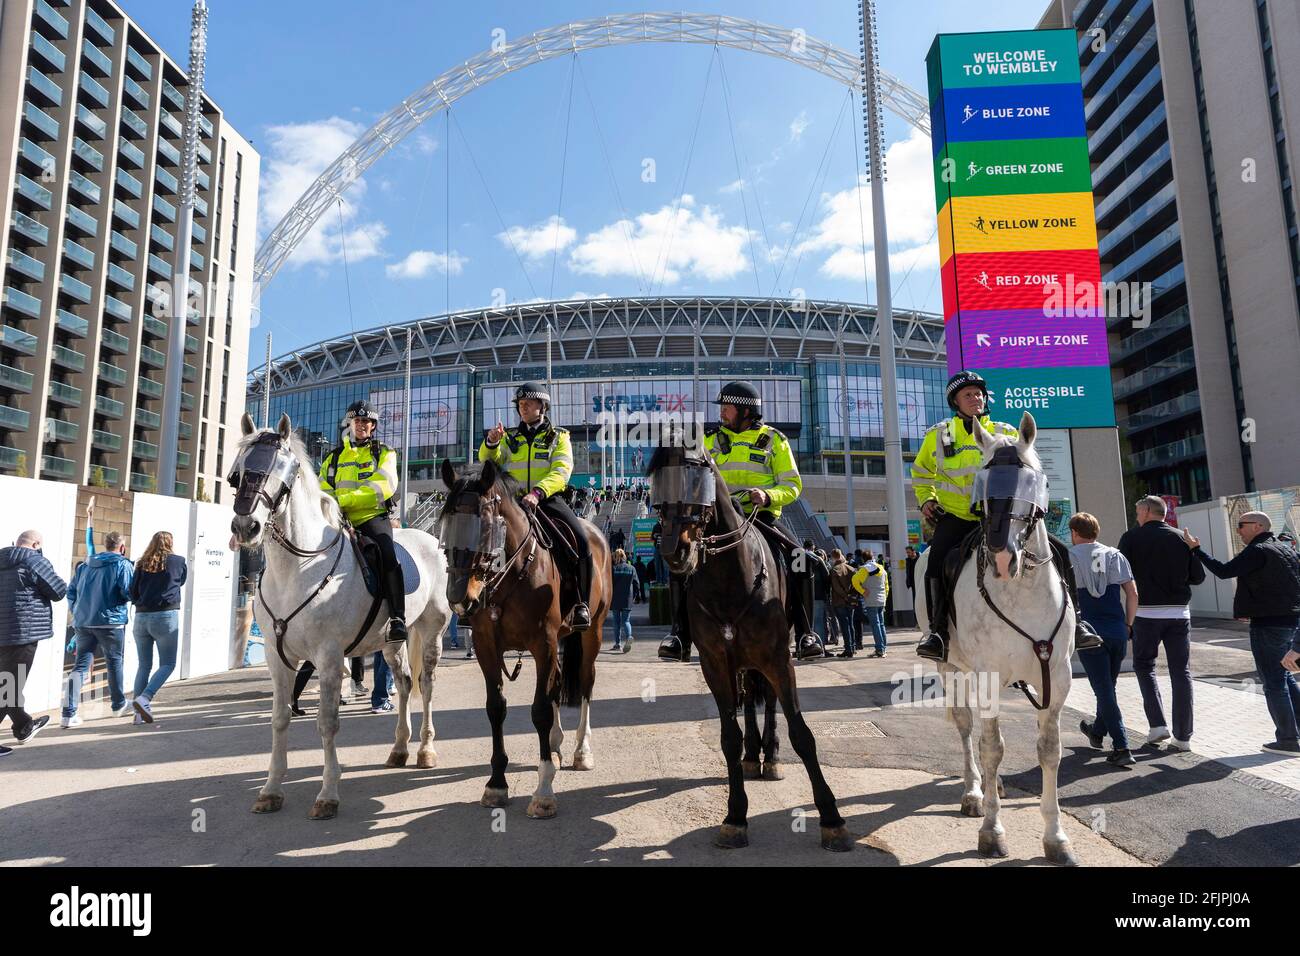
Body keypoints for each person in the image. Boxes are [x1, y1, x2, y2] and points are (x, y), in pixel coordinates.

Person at [910, 370, 1103, 662]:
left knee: (1061, 552)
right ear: (955, 402)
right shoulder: (940, 434)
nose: (975, 398)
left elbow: (1030, 473)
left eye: (979, 393)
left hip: (1004, 517)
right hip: (959, 516)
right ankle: (937, 633)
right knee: (935, 560)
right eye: (968, 395)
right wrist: (927, 500)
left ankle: (1078, 624)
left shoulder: (1006, 431)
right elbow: (922, 473)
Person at [1184, 512, 1300, 755]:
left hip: (1269, 624)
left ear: (1258, 526)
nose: (1238, 531)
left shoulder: (1258, 550)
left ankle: (1288, 740)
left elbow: (1224, 571)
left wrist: (1197, 550)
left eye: (1241, 525)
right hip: (1290, 622)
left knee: (1274, 683)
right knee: (1286, 678)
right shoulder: (1286, 549)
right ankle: (1293, 734)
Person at [480, 381, 591, 629]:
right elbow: (488, 463)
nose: (523, 407)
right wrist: (491, 442)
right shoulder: (509, 438)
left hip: (547, 500)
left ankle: (581, 604)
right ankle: (475, 601)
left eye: (528, 403)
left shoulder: (559, 437)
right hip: (513, 503)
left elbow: (562, 470)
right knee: (481, 542)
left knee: (582, 543)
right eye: (520, 404)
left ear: (543, 407)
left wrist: (538, 492)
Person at [1117, 495, 1205, 750]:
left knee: (1144, 666)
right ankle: (1183, 737)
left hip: (1145, 613)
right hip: (1179, 614)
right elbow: (1198, 577)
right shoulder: (1181, 538)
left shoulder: (1131, 537)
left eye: (1136, 510)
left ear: (1145, 511)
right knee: (1182, 672)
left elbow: (1122, 576)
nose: (1136, 515)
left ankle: (1157, 725)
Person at [318, 400, 407, 645]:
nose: (361, 425)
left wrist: (343, 500)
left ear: (373, 426)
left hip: (371, 519)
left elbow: (383, 485)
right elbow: (322, 488)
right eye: (357, 421)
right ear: (350, 424)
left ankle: (397, 617)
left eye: (366, 421)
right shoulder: (333, 457)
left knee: (388, 555)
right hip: (337, 520)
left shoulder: (384, 452)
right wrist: (334, 505)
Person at [1068, 513, 1139, 767]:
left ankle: (1122, 745)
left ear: (1075, 533)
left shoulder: (1070, 557)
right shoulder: (1115, 555)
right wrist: (1129, 624)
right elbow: (1132, 593)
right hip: (1118, 629)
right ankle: (1097, 731)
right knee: (1108, 686)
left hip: (1089, 632)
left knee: (1104, 690)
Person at [0, 529, 67, 749]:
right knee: (9, 685)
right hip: (23, 632)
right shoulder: (35, 561)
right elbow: (58, 591)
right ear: (37, 544)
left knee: (7, 684)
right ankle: (24, 725)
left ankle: (23, 726)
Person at [64, 529, 134, 727]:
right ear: (122, 547)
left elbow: (71, 592)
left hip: (83, 622)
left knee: (79, 666)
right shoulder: (122, 564)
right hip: (110, 623)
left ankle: (68, 713)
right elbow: (128, 592)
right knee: (114, 663)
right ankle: (118, 705)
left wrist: (78, 611)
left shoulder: (86, 565)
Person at [128, 531, 188, 724]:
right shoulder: (178, 561)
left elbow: (132, 591)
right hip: (165, 617)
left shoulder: (141, 563)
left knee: (144, 665)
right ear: (171, 543)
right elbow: (181, 581)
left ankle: (138, 715)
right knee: (168, 664)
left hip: (141, 617)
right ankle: (145, 698)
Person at [853, 550, 889, 658]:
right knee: (881, 624)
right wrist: (885, 599)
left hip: (871, 600)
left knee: (875, 625)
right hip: (881, 600)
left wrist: (862, 591)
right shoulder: (881, 568)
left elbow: (854, 580)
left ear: (863, 558)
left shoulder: (865, 569)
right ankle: (883, 648)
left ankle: (879, 649)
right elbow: (886, 585)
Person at [828, 549, 861, 659]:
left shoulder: (834, 570)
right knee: (851, 624)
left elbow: (836, 588)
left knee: (844, 625)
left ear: (833, 557)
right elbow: (857, 583)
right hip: (851, 601)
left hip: (840, 601)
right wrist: (852, 596)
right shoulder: (851, 568)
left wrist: (845, 596)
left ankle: (848, 649)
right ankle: (853, 647)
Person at [609, 549, 635, 653]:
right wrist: (635, 597)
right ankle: (629, 636)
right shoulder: (632, 568)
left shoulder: (613, 569)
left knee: (616, 622)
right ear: (624, 556)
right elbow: (636, 584)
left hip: (615, 598)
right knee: (626, 621)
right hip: (627, 598)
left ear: (615, 557)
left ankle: (617, 644)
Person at [809, 543, 832, 654]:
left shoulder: (806, 561)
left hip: (808, 596)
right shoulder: (820, 563)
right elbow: (827, 578)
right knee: (819, 622)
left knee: (813, 622)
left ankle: (812, 644)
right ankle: (820, 646)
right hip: (819, 596)